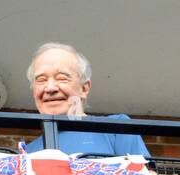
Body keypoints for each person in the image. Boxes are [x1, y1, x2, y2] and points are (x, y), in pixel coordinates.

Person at [21, 42, 150, 158]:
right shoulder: (27, 154)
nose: (50, 88)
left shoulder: (116, 128)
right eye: (41, 80)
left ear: (84, 88)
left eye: (62, 78)